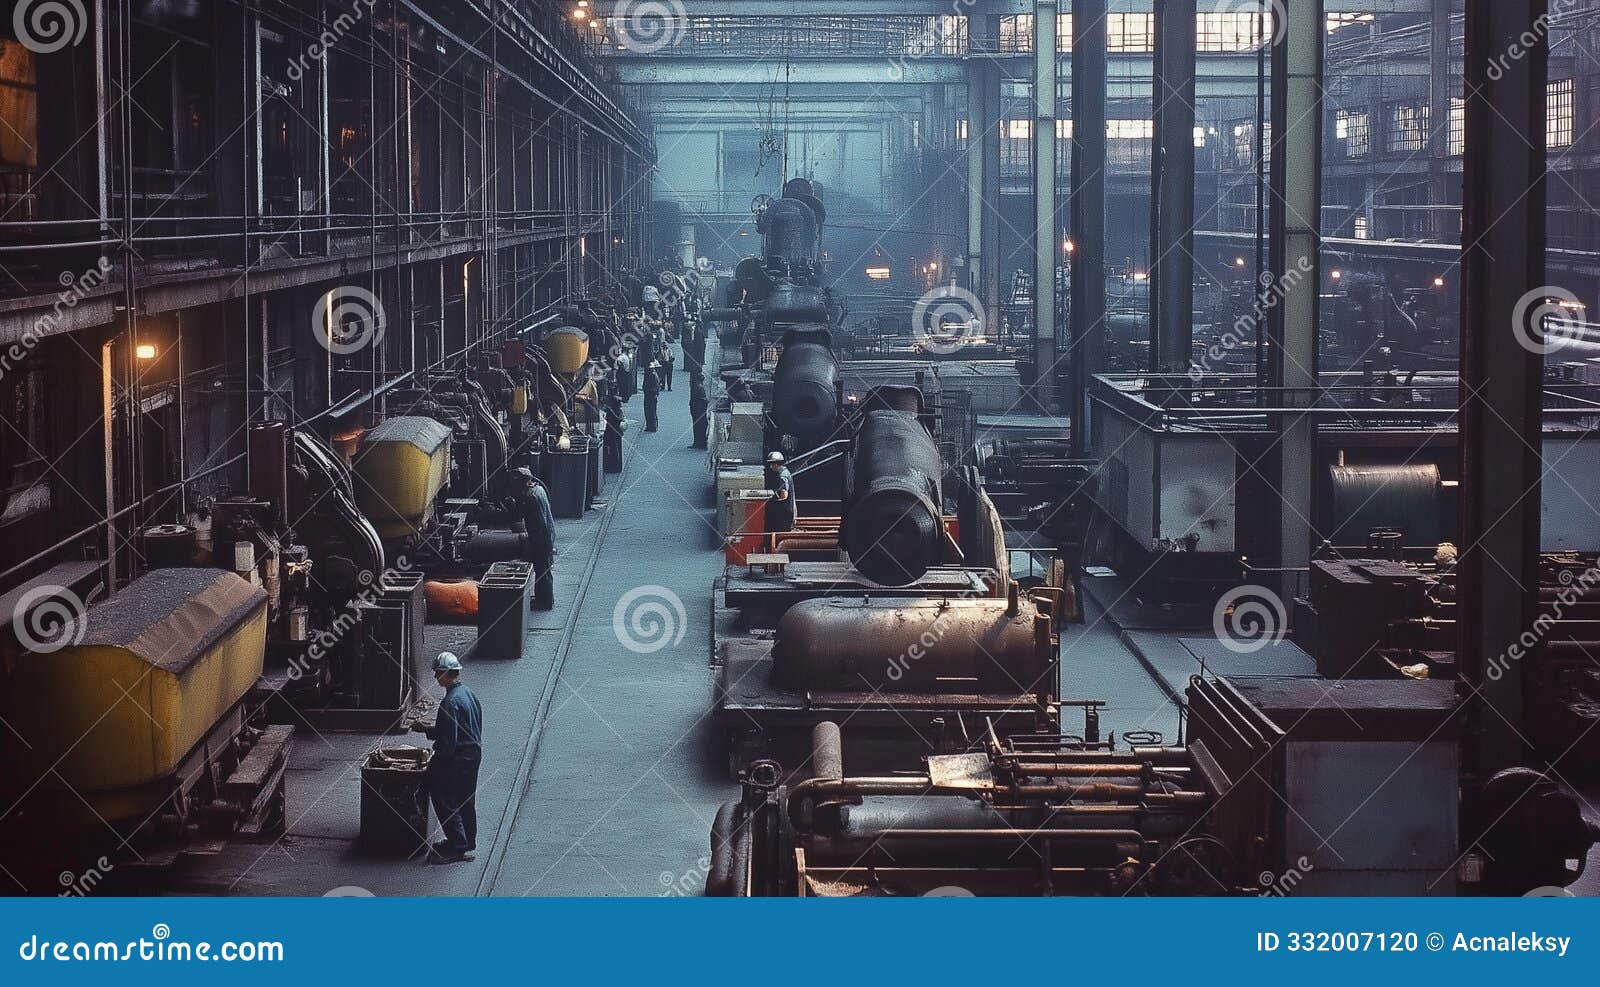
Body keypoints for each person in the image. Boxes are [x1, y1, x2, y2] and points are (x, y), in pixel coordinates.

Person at [415, 652, 483, 864]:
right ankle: (467, 841)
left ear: (446, 673)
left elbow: (449, 742)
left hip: (458, 758)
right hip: (473, 753)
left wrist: (435, 764)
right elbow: (463, 727)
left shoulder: (449, 702)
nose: (436, 677)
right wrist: (427, 729)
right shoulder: (468, 694)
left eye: (437, 673)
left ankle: (457, 845)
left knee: (444, 798)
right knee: (466, 799)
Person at [516, 467, 557, 611]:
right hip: (548, 535)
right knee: (543, 570)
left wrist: (533, 542)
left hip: (542, 539)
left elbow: (538, 523)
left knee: (542, 571)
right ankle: (544, 599)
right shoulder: (539, 489)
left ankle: (544, 603)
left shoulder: (531, 497)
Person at [765, 451, 796, 534]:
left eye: (771, 465)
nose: (771, 467)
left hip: (784, 513)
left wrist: (772, 498)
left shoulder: (782, 476)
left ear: (776, 464)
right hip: (787, 512)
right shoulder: (786, 471)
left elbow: (784, 495)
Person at [643, 360, 661, 433]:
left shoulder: (652, 375)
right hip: (650, 395)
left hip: (650, 396)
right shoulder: (653, 375)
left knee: (651, 411)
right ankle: (651, 425)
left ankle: (652, 426)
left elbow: (654, 387)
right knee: (650, 411)